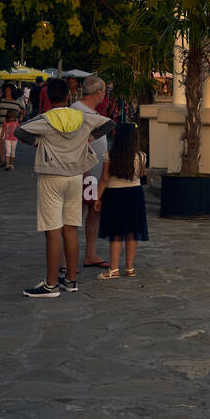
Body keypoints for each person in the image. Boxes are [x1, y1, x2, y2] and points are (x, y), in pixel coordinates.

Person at [14, 78, 115, 298]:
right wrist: (86, 139)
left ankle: (51, 284)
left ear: (48, 97)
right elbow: (109, 124)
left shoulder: (46, 118)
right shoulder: (81, 117)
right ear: (69, 96)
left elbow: (20, 132)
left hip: (52, 176)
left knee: (53, 230)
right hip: (75, 176)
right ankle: (70, 280)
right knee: (71, 228)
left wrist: (38, 143)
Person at [93, 122, 148, 280]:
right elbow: (141, 174)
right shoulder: (141, 156)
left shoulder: (109, 155)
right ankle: (130, 267)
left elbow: (104, 179)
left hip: (114, 195)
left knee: (116, 233)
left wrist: (98, 197)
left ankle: (114, 269)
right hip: (135, 194)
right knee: (132, 232)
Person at [68, 75, 111, 274]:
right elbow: (77, 144)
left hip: (94, 174)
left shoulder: (88, 111)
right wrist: (85, 172)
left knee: (94, 212)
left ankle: (90, 253)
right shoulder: (77, 112)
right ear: (98, 92)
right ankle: (66, 259)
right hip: (84, 173)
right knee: (74, 215)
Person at [0, 83, 23, 171]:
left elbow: (23, 110)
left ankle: (9, 158)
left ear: (13, 91)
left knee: (10, 142)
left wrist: (21, 116)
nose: (6, 91)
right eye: (5, 89)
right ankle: (2, 160)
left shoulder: (18, 102)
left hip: (12, 126)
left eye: (9, 90)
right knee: (0, 142)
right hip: (1, 124)